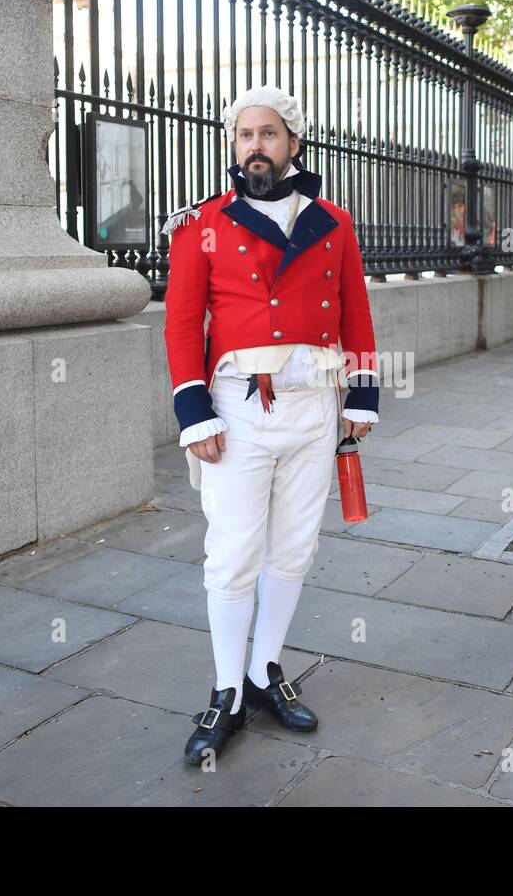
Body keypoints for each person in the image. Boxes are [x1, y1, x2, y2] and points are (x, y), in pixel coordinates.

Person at [161, 85, 380, 765]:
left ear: (294, 141)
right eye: (244, 134)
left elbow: (356, 313)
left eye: (268, 133)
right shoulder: (203, 224)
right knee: (232, 554)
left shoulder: (335, 221)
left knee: (293, 551)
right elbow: (179, 322)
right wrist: (193, 412)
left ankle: (265, 673)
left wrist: (362, 394)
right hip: (235, 408)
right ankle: (227, 690)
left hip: (314, 405)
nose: (254, 145)